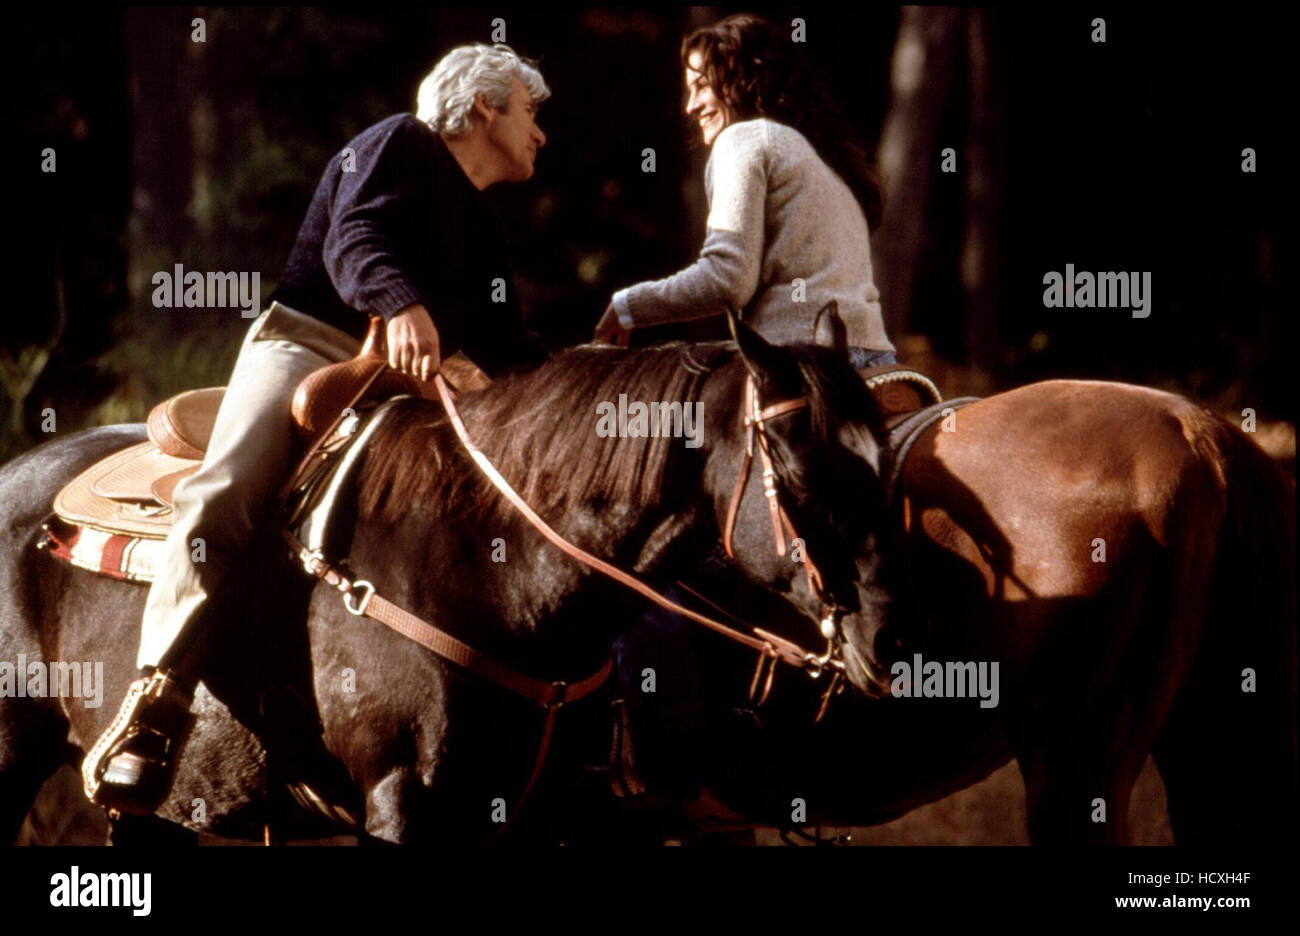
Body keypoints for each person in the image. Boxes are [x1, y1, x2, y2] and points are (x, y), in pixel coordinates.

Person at [83, 43, 551, 816]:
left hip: (407, 386)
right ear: (484, 108)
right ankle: (152, 710)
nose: (541, 135)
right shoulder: (399, 141)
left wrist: (589, 387)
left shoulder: (484, 231)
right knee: (222, 497)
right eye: (531, 114)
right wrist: (400, 303)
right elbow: (354, 242)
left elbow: (513, 355)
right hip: (308, 347)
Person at [593, 13, 897, 371]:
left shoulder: (744, 139)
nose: (690, 106)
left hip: (805, 365)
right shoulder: (824, 159)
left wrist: (628, 306)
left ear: (741, 79)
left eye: (702, 86)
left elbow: (727, 279)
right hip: (878, 361)